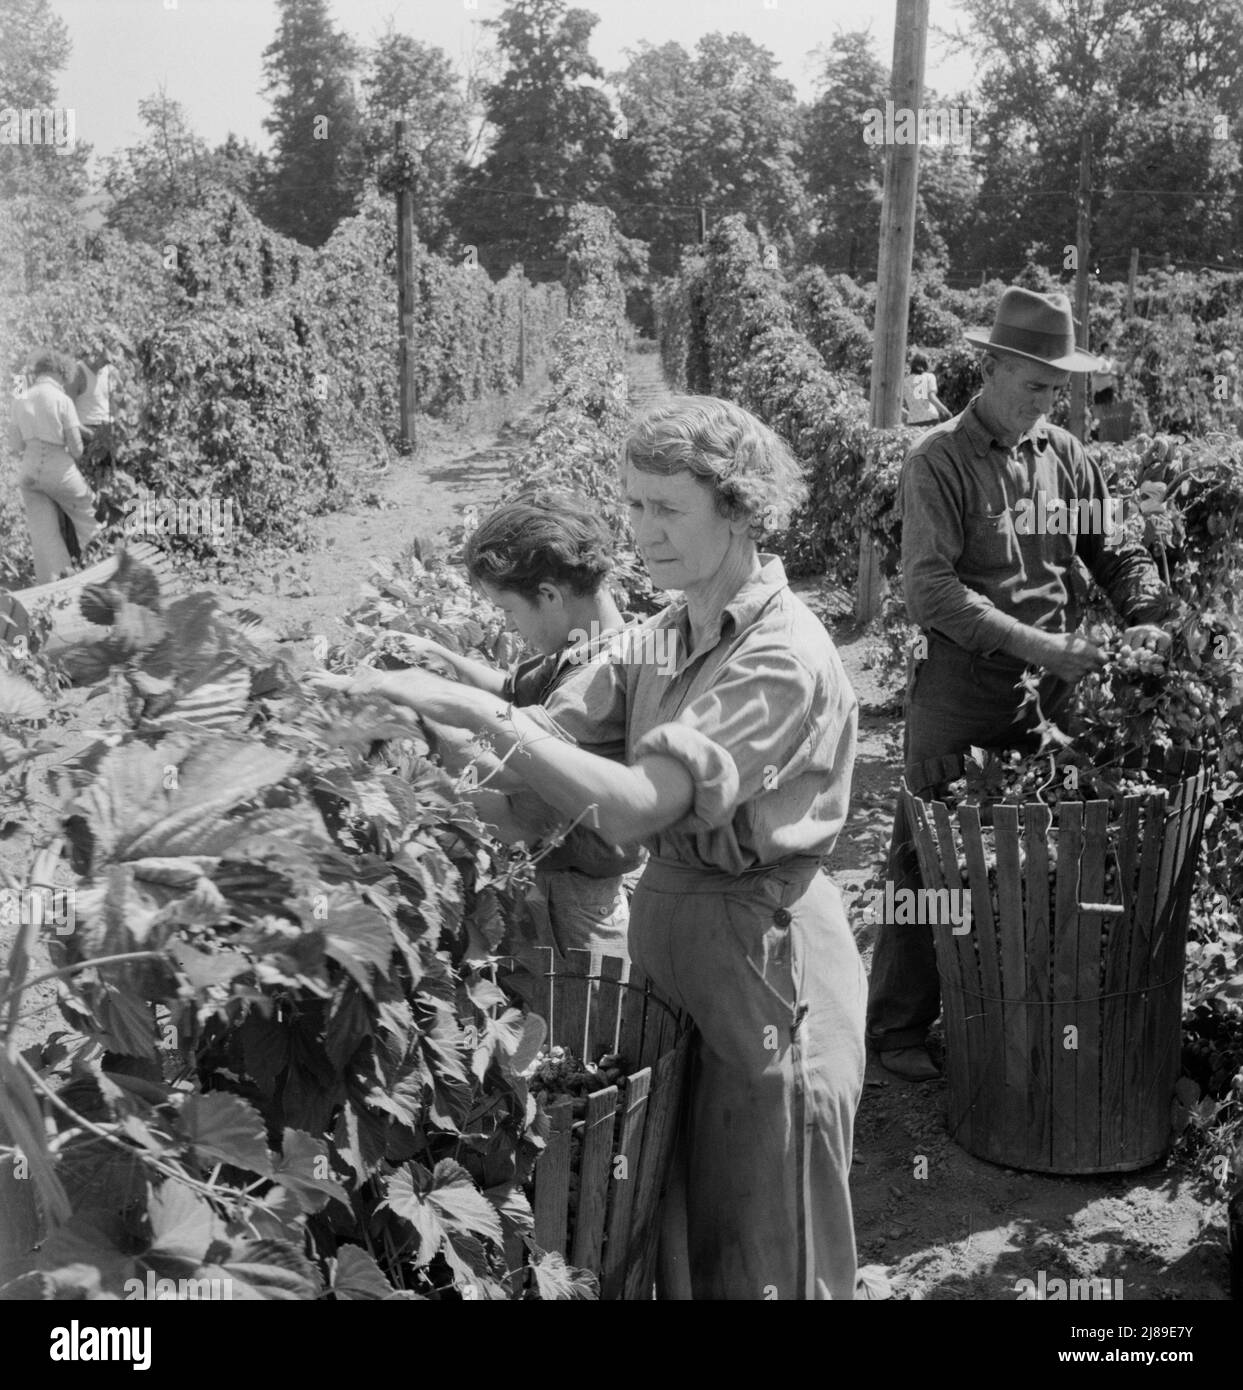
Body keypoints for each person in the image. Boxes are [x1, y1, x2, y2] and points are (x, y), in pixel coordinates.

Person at [312, 395, 867, 1300]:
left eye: (667, 508)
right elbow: (539, 757)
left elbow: (636, 806)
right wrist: (392, 761)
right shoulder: (662, 636)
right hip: (675, 964)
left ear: (738, 508)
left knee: (768, 1242)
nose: (641, 531)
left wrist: (473, 709)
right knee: (680, 1229)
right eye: (634, 504)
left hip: (767, 967)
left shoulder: (782, 655)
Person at [867, 287, 1172, 1082]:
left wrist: (1143, 613)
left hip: (1054, 693)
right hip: (963, 686)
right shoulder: (937, 461)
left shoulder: (1064, 456)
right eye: (1033, 384)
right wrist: (1041, 645)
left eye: (1054, 388)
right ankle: (897, 1028)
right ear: (991, 366)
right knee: (926, 856)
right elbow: (930, 590)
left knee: (1050, 851)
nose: (1046, 401)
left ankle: (1020, 1013)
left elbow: (1114, 551)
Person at [404, 491, 642, 963]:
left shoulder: (597, 685)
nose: (508, 625)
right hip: (565, 878)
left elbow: (510, 764)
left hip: (578, 903)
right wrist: (442, 658)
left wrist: (419, 711)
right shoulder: (591, 644)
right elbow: (510, 689)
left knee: (583, 1018)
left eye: (509, 611)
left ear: (550, 595)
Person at [6, 349, 99, 584]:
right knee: (90, 515)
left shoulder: (20, 400)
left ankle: (55, 587)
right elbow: (76, 449)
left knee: (44, 535)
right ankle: (105, 568)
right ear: (60, 372)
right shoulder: (62, 400)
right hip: (58, 467)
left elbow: (15, 445)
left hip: (28, 470)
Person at [901, 351, 951, 426]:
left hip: (913, 421)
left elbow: (899, 404)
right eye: (929, 361)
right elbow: (931, 397)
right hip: (931, 418)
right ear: (924, 364)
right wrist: (946, 411)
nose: (931, 364)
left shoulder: (905, 381)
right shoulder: (929, 377)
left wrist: (909, 414)